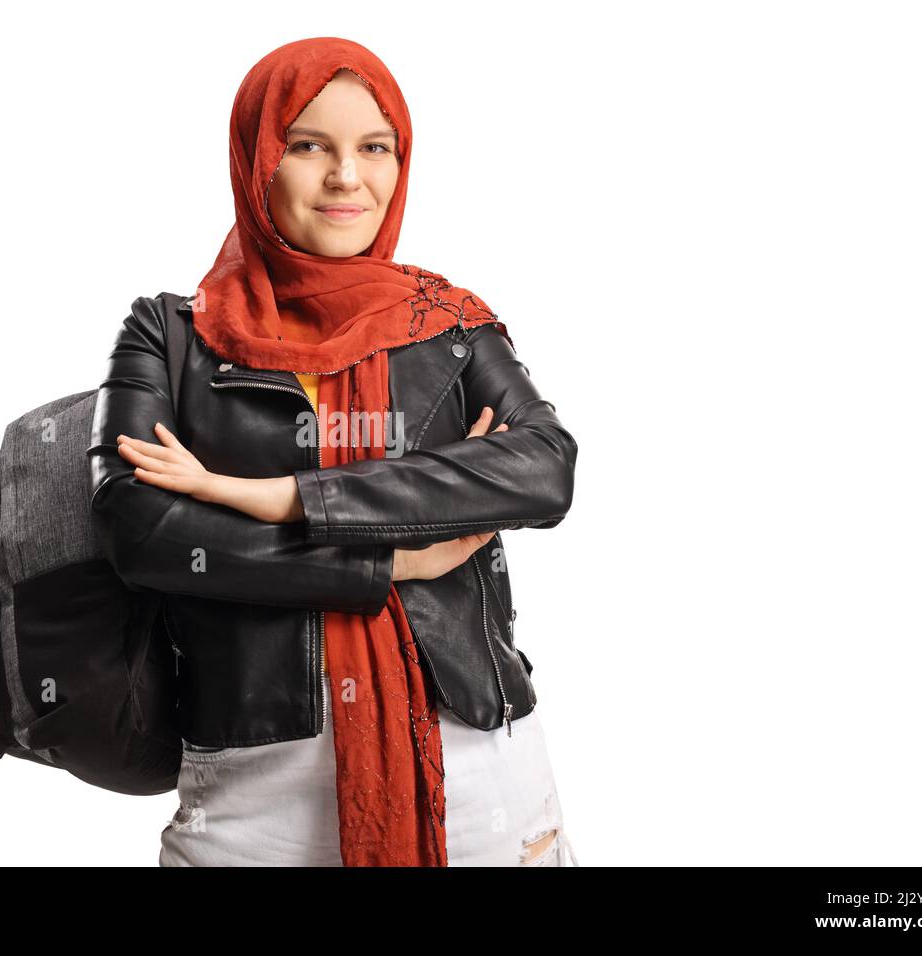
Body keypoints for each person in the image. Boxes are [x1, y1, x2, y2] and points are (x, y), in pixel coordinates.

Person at [88, 36, 580, 866]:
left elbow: (543, 468)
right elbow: (138, 528)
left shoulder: (448, 324)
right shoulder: (170, 334)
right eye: (309, 145)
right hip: (251, 795)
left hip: (476, 771)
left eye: (373, 148)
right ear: (257, 158)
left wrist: (286, 496)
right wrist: (384, 567)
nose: (347, 177)